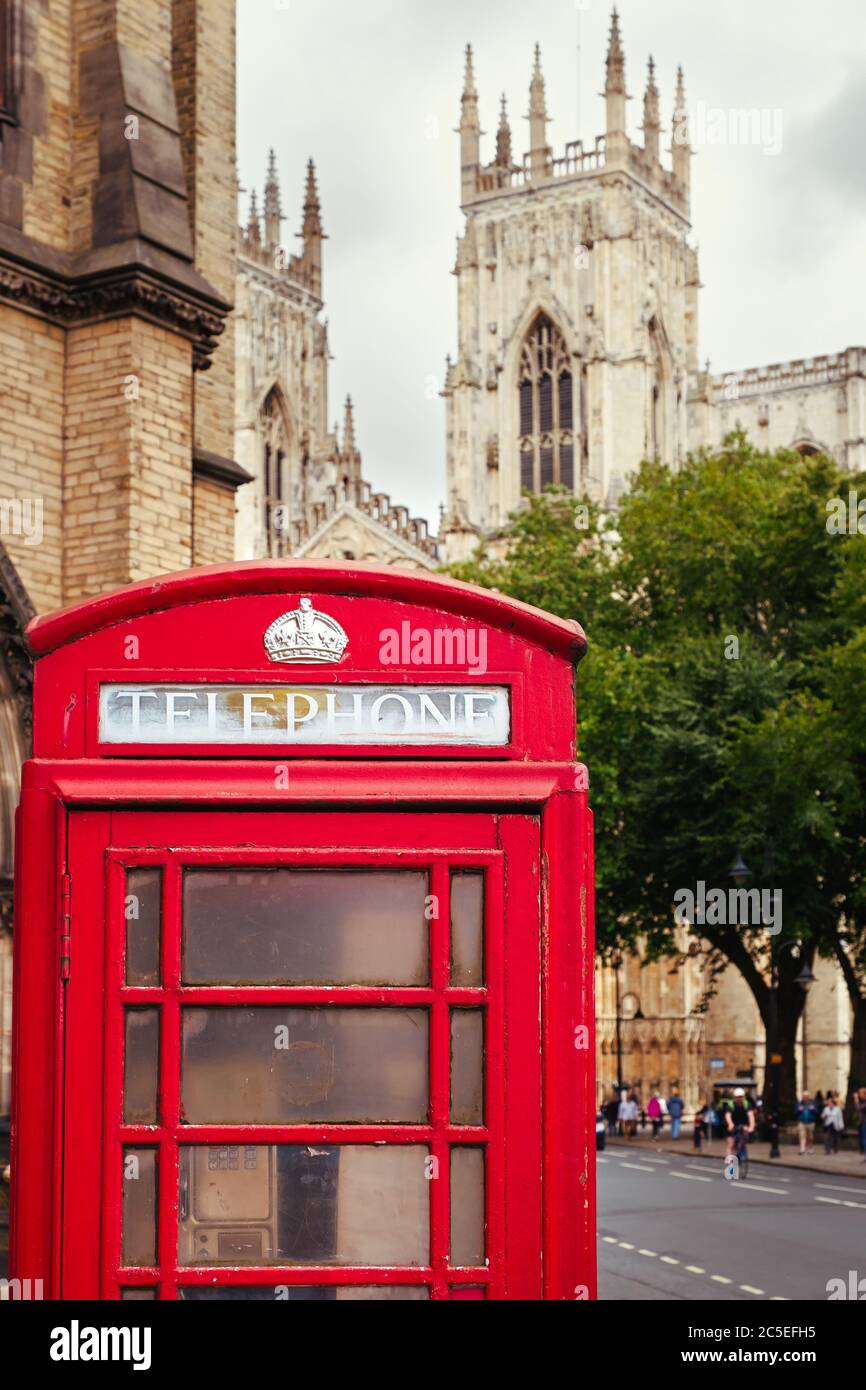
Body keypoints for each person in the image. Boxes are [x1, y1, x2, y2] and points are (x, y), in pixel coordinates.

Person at [724, 1086, 755, 1159]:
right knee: (731, 1143)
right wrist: (730, 1124)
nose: (739, 1098)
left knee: (744, 1135)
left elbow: (751, 1116)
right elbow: (728, 1115)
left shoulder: (747, 1104)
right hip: (733, 1125)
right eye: (737, 1097)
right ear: (734, 1097)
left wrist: (751, 1126)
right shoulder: (730, 1105)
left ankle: (742, 1150)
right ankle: (730, 1163)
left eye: (741, 1097)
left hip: (743, 1124)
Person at [795, 1089, 818, 1155]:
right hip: (802, 1122)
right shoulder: (800, 1103)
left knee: (810, 1136)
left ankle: (810, 1148)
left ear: (808, 1097)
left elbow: (816, 1113)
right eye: (804, 1096)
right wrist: (799, 1110)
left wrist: (813, 1109)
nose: (805, 1098)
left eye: (806, 1096)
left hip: (811, 1122)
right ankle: (802, 1149)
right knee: (802, 1136)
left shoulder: (812, 1103)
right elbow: (795, 1113)